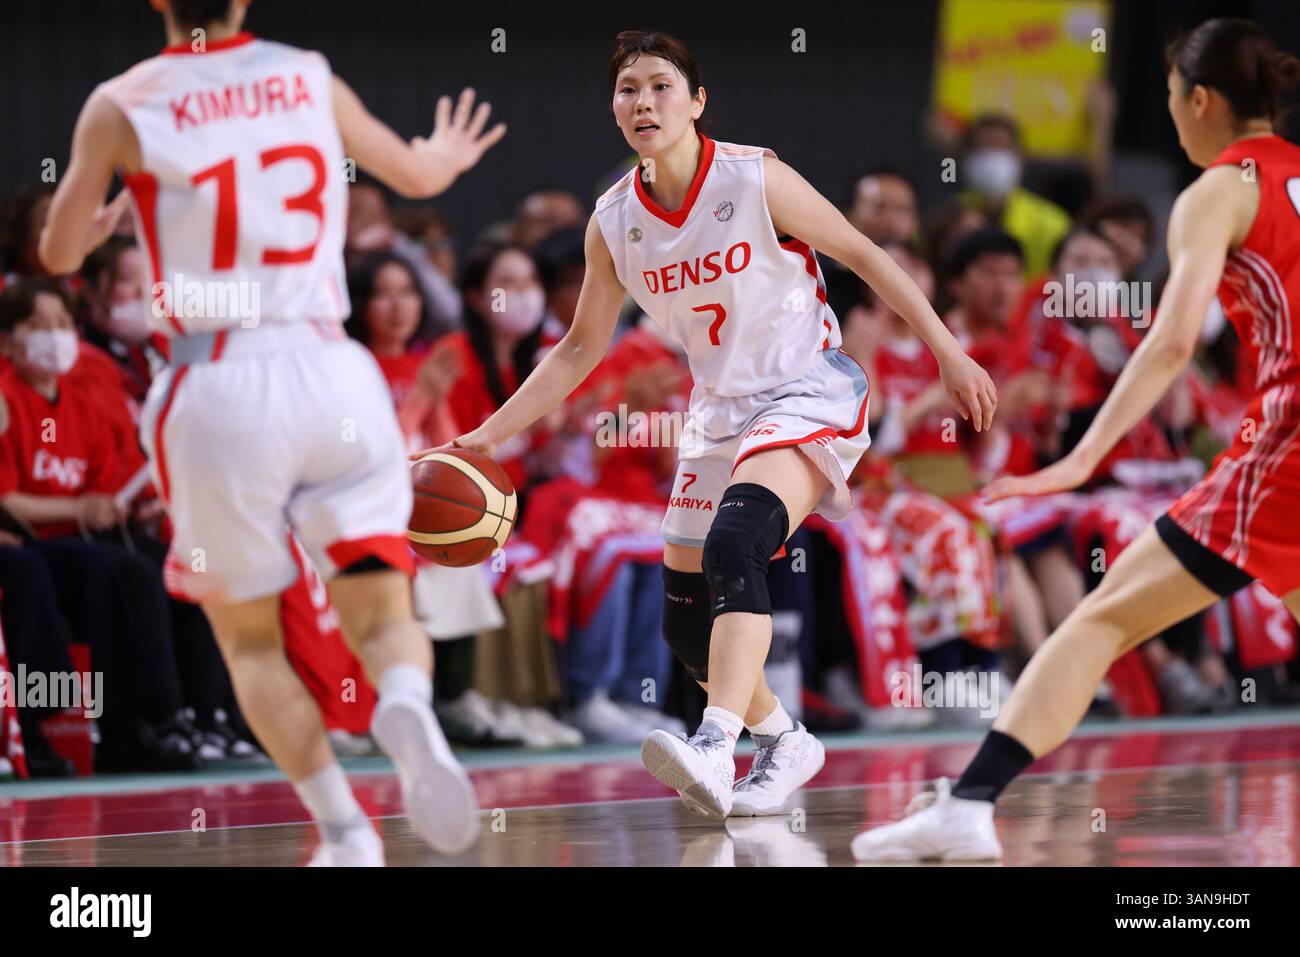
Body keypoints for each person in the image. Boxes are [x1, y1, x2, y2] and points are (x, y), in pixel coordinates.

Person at [417, 29, 995, 819]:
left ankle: (717, 745)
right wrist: (489, 434)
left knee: (737, 543)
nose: (643, 101)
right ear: (614, 110)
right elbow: (580, 349)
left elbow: (863, 252)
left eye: (660, 86)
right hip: (718, 412)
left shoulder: (756, 178)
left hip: (805, 388)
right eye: (628, 89)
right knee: (687, 624)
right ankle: (785, 740)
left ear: (696, 102)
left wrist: (948, 352)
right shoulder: (612, 221)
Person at [38, 0, 505, 865]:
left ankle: (345, 829)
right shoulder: (308, 73)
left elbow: (60, 256)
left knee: (248, 640)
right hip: (332, 367)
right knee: (380, 599)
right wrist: (443, 155)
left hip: (217, 385)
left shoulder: (121, 101)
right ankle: (403, 695)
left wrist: (100, 222)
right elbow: (417, 176)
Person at [853, 16, 1300, 862]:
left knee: (1100, 619)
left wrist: (1081, 457)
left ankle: (970, 802)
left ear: (1201, 100)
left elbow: (1169, 342)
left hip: (1287, 445)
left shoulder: (1221, 187)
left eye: (1172, 100)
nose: (1172, 118)